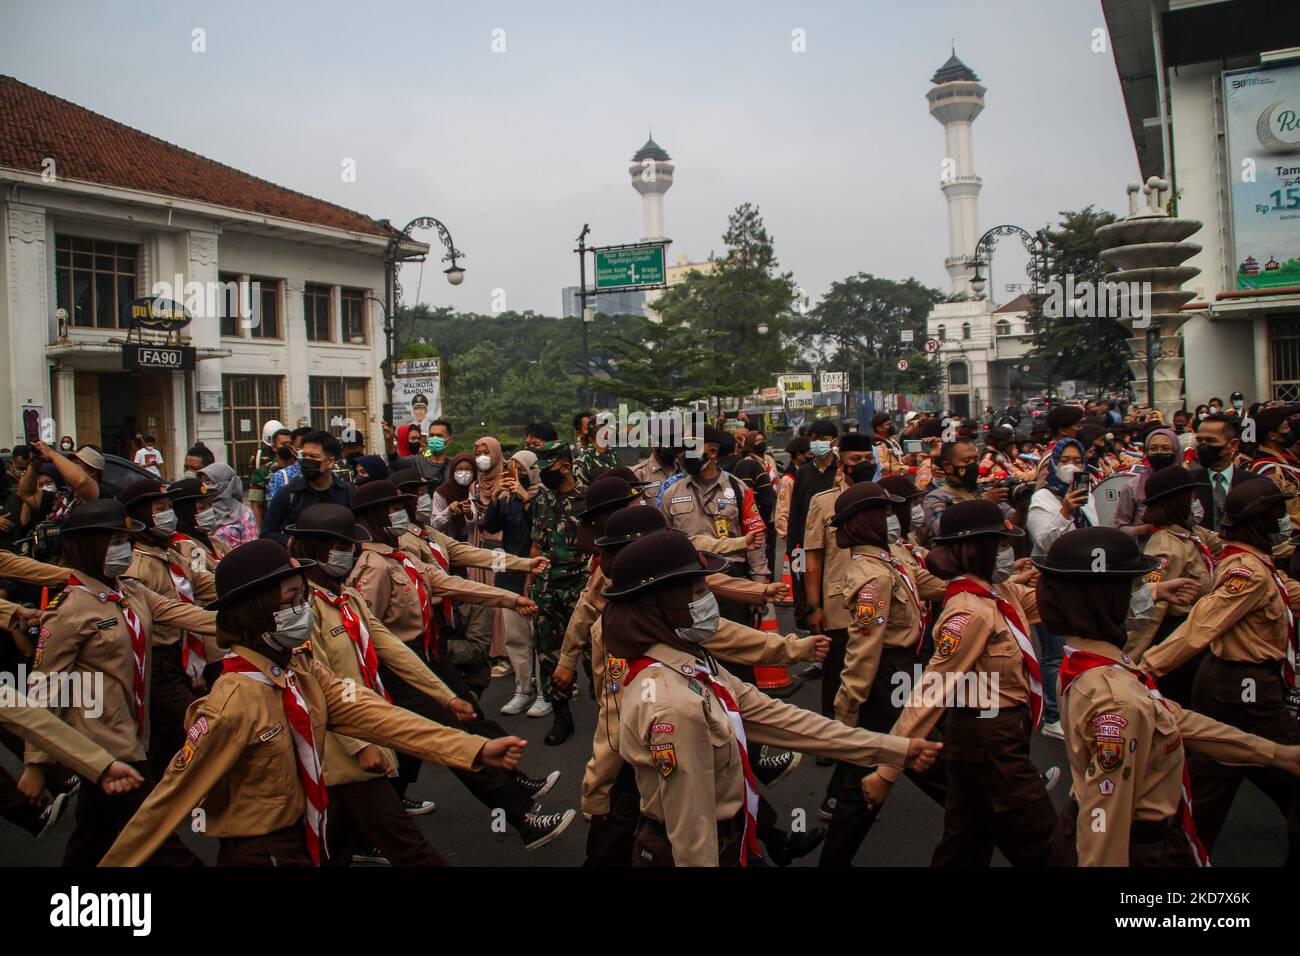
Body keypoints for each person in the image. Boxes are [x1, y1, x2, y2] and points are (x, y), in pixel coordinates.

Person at [98, 538, 528, 866]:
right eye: (290, 602)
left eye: (302, 597)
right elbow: (166, 802)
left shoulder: (301, 673)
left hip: (309, 839)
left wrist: (473, 748)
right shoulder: (231, 703)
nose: (303, 610)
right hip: (261, 854)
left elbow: (374, 714)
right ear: (255, 613)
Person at [603, 529, 941, 866]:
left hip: (734, 837)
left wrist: (895, 750)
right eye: (698, 592)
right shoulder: (671, 703)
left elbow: (786, 722)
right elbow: (691, 832)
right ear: (664, 604)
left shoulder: (692, 665)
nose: (710, 600)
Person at [1037, 526, 1300, 866]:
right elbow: (1105, 821)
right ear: (1108, 599)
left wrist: (1277, 754)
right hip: (1138, 847)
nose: (1144, 594)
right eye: (1133, 587)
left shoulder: (1092, 662)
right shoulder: (1117, 698)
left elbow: (1173, 719)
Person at [343, 482, 573, 848]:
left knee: (454, 723)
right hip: (401, 667)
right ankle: (521, 817)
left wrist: (510, 597)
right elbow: (367, 635)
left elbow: (449, 578)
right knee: (456, 741)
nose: (401, 511)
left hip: (427, 651)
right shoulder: (373, 567)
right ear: (372, 517)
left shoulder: (402, 553)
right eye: (393, 506)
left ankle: (361, 836)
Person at [21, 499, 217, 865]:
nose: (123, 548)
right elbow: (44, 689)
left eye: (124, 539)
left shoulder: (131, 592)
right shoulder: (70, 609)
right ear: (88, 545)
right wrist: (36, 764)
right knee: (158, 840)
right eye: (113, 540)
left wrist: (248, 626)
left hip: (132, 733)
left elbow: (185, 614)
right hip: (103, 744)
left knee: (93, 841)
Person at [861, 499, 1056, 866]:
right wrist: (888, 769)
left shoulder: (1002, 593)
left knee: (964, 843)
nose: (1006, 552)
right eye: (998, 545)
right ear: (974, 550)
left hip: (994, 737)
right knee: (1044, 844)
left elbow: (1058, 606)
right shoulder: (968, 610)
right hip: (988, 742)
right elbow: (932, 691)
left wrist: (1151, 591)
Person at [1139, 478, 1300, 859]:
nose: (1285, 520)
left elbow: (1284, 592)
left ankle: (1174, 854)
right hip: (1243, 688)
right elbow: (1201, 624)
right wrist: (1146, 668)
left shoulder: (1256, 564)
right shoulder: (1246, 571)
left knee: (1213, 782)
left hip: (1232, 683)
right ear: (1258, 520)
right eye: (1278, 513)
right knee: (1276, 768)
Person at [818, 481, 955, 866]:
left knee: (867, 767)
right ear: (868, 521)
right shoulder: (871, 576)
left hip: (903, 669)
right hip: (887, 676)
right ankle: (997, 809)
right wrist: (847, 706)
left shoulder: (890, 558)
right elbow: (864, 647)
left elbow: (928, 585)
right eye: (888, 512)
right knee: (918, 750)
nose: (897, 518)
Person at [118, 479, 218, 777]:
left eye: (169, 508)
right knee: (197, 726)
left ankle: (148, 791)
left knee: (167, 740)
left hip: (183, 656)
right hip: (157, 662)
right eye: (160, 509)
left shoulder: (174, 553)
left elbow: (207, 585)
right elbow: (167, 613)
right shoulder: (135, 566)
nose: (168, 514)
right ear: (140, 516)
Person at [1124, 467, 1221, 704]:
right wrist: (1134, 661)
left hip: (1195, 637)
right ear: (1177, 502)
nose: (1196, 504)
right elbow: (1151, 608)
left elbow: (1220, 545)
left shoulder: (1190, 534)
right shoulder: (1165, 547)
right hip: (1174, 642)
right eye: (1191, 499)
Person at [527, 441, 589, 743]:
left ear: (565, 466)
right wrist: (530, 585)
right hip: (547, 590)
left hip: (582, 589)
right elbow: (536, 544)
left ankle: (611, 717)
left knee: (595, 657)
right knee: (549, 657)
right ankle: (562, 718)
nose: (543, 475)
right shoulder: (542, 500)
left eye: (547, 468)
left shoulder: (587, 499)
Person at [479, 453, 544, 709]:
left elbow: (542, 527)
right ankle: (523, 688)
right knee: (516, 637)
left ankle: (544, 693)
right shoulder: (507, 499)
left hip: (536, 574)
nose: (516, 474)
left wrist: (526, 499)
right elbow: (489, 526)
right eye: (511, 469)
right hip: (509, 574)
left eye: (521, 469)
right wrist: (495, 497)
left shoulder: (543, 498)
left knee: (539, 638)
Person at [260, 430, 352, 545]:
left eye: (313, 456)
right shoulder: (289, 494)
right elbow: (266, 533)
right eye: (304, 456)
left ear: (330, 462)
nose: (307, 460)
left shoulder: (348, 493)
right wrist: (293, 543)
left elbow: (360, 532)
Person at [919, 438, 1013, 546]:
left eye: (976, 459)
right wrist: (986, 504)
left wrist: (1022, 509)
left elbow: (1013, 525)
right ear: (947, 467)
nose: (973, 464)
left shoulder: (986, 491)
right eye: (967, 460)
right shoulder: (937, 498)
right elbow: (941, 529)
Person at [1114, 427, 1181, 538]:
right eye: (1153, 449)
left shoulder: (1186, 483)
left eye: (1166, 448)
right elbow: (1120, 528)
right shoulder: (1133, 486)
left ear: (1176, 451)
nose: (1159, 453)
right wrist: (1143, 530)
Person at [1248, 404, 1300, 544]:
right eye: (1285, 427)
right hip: (1288, 544)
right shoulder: (1267, 469)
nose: (1290, 429)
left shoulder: (1287, 460)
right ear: (1273, 436)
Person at [1190, 413, 1246, 531]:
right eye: (1199, 440)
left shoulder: (1252, 483)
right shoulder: (1188, 482)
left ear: (1232, 445)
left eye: (1211, 441)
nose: (1203, 446)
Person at [199, 462, 259, 555]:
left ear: (226, 483)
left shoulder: (244, 514)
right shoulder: (201, 510)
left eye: (208, 481)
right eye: (202, 481)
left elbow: (251, 550)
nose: (204, 485)